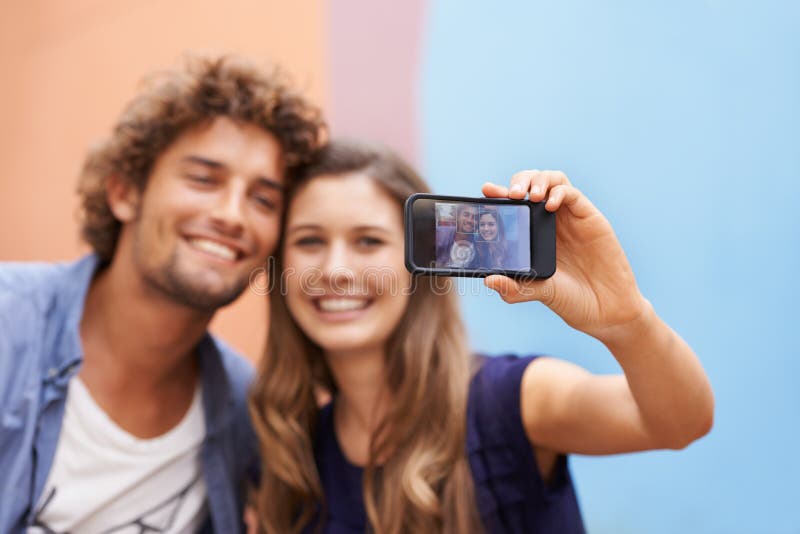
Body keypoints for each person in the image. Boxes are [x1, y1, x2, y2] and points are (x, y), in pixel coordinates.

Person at [247, 140, 714, 533]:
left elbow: (680, 423)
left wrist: (626, 319)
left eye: (368, 241)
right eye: (309, 241)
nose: (336, 271)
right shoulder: (293, 452)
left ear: (425, 259)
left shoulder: (508, 400)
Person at [0, 55, 325, 533]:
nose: (233, 216)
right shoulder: (9, 323)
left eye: (263, 200)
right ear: (124, 192)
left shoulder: (248, 415)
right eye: (203, 179)